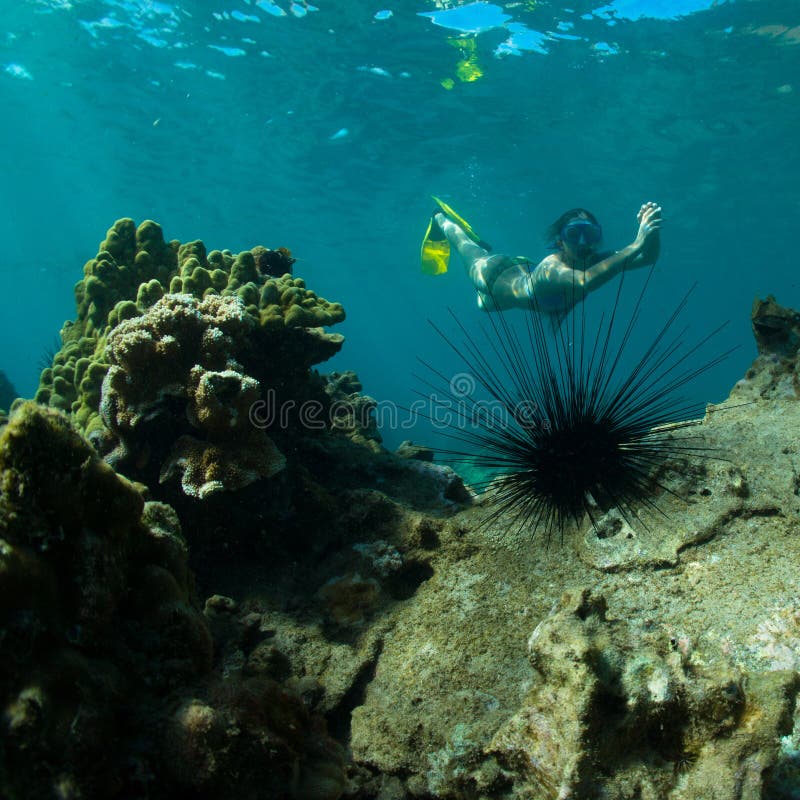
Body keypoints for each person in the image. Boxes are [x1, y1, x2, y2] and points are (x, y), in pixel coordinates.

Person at [421, 199, 662, 320]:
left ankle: (493, 275)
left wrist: (651, 232)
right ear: (560, 241)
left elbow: (648, 258)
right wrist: (636, 242)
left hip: (515, 288)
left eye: (588, 234)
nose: (581, 242)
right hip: (493, 275)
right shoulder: (551, 267)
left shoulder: (600, 261)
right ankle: (439, 218)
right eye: (572, 234)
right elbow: (584, 282)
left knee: (484, 307)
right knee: (469, 249)